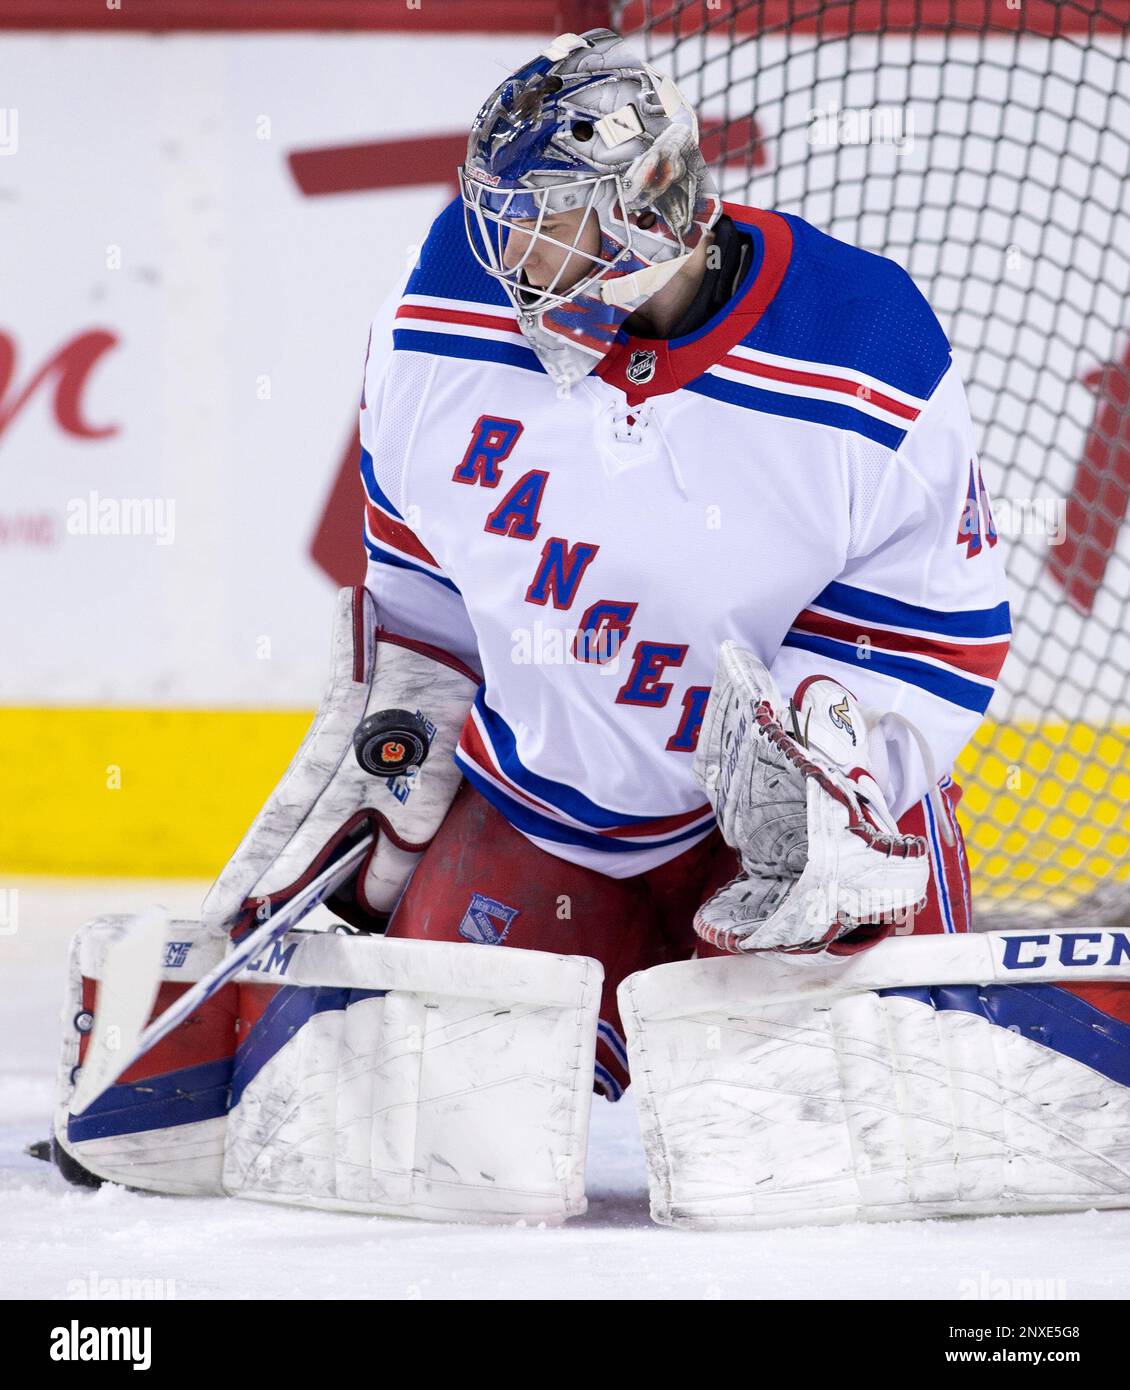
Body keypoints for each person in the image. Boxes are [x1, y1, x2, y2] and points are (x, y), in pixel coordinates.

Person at [340, 27, 1010, 1098]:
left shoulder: (862, 344)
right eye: (499, 220)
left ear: (642, 214)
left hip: (776, 839)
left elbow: (937, 631)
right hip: (542, 815)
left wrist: (831, 784)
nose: (506, 258)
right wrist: (391, 747)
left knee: (836, 1125)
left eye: (544, 221)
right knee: (449, 1124)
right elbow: (416, 569)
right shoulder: (436, 317)